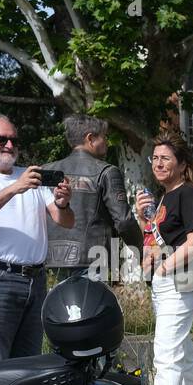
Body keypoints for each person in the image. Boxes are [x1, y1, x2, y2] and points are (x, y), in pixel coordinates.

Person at [0, 113, 74, 366]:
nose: (9, 145)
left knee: (29, 364)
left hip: (35, 279)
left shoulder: (30, 176)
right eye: (1, 139)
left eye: (14, 140)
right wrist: (13, 188)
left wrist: (63, 202)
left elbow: (66, 221)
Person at [137, 131, 193, 385]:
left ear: (181, 164)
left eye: (165, 158)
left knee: (166, 353)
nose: (158, 163)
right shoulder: (166, 196)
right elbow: (156, 242)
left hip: (180, 279)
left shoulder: (188, 193)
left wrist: (166, 267)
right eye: (154, 158)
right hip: (165, 281)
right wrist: (144, 221)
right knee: (183, 350)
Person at [44, 114, 144, 279]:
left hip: (50, 261)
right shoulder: (107, 172)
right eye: (105, 137)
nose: (107, 143)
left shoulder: (47, 171)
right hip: (92, 260)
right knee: (91, 304)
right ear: (90, 139)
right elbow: (124, 221)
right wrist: (141, 249)